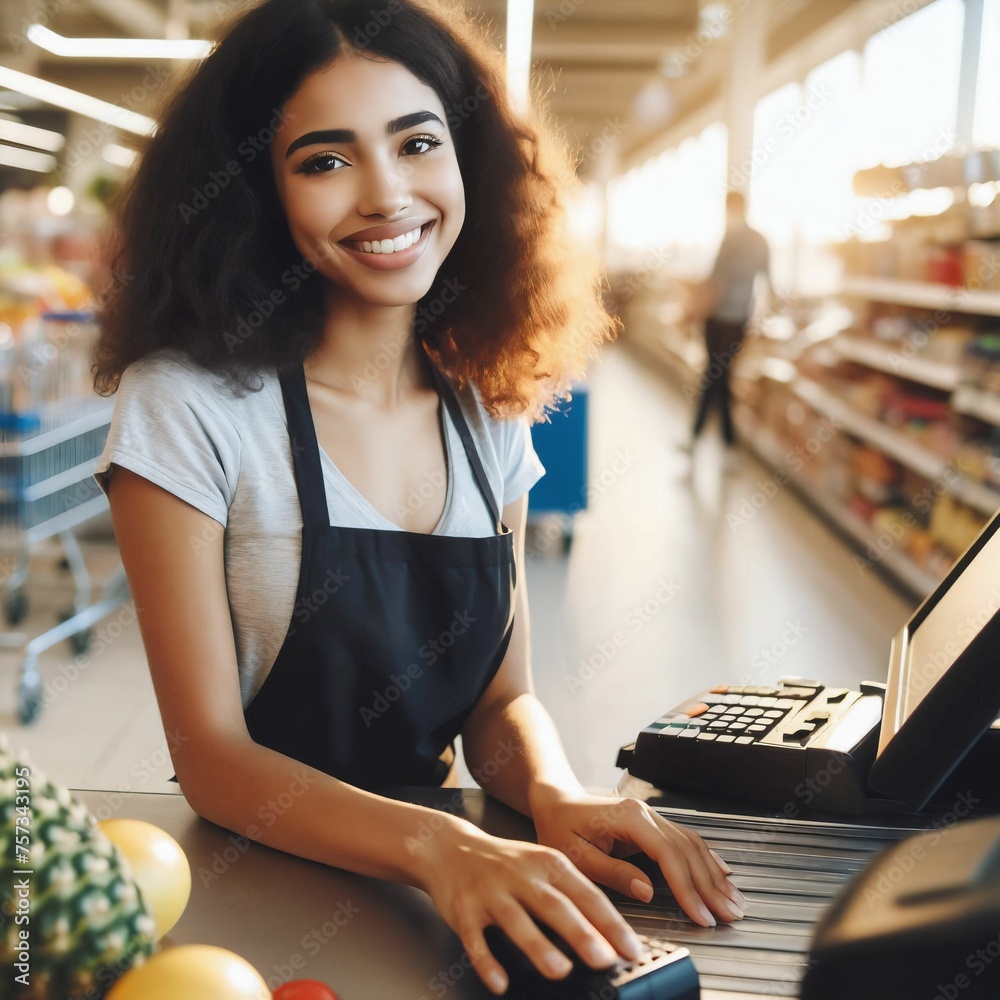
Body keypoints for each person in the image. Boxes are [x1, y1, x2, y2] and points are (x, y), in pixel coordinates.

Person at [91, 0, 746, 994]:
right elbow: (215, 757)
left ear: (466, 160)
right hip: (254, 899)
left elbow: (500, 701)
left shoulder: (483, 410)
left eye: (416, 143)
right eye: (325, 160)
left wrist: (555, 794)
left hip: (439, 906)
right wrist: (442, 847)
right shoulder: (188, 410)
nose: (387, 195)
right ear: (256, 190)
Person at [683, 190, 771, 458]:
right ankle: (726, 443)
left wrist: (693, 312)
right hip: (741, 318)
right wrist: (762, 317)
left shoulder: (730, 238)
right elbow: (769, 281)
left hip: (719, 318)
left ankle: (700, 438)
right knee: (720, 375)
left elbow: (716, 283)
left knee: (714, 375)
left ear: (730, 208)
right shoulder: (761, 240)